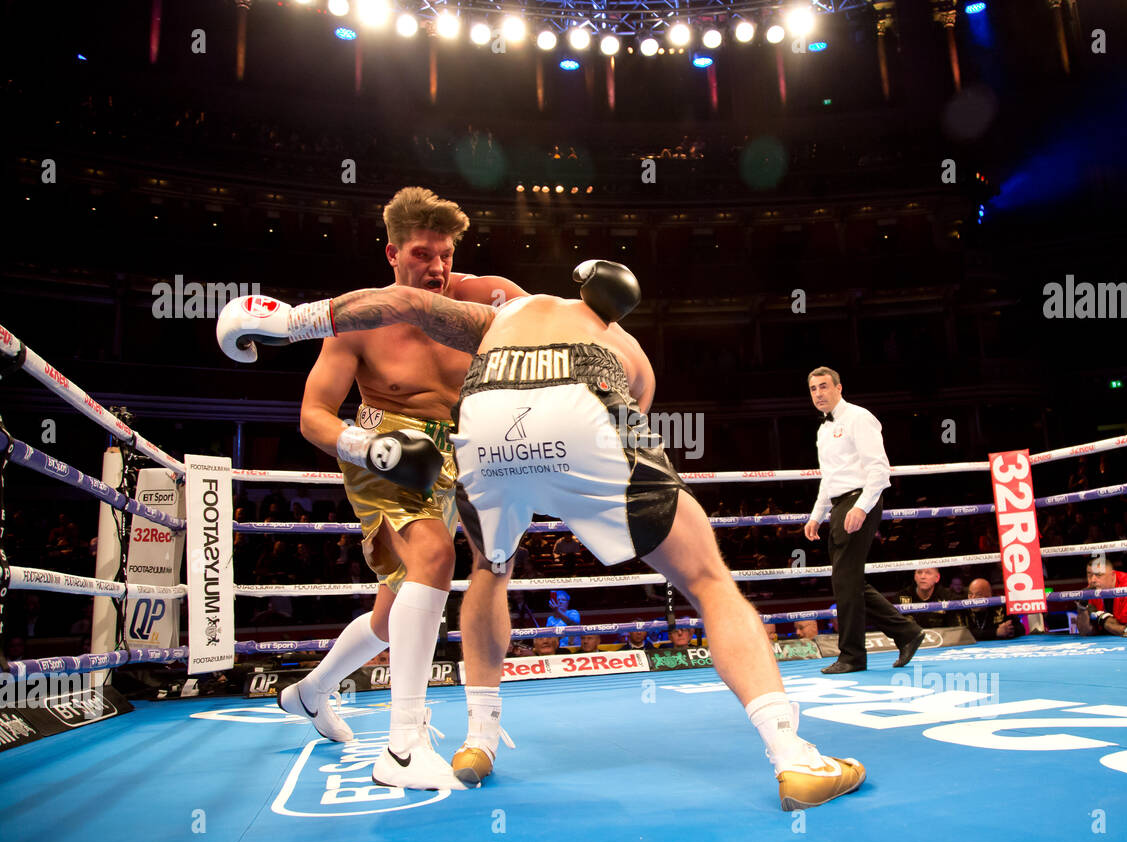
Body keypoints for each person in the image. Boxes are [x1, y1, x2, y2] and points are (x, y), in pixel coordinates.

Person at [218, 260, 865, 810]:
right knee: (706, 577)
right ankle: (792, 752)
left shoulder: (503, 315)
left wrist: (286, 320)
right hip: (589, 397)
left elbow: (403, 303)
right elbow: (628, 413)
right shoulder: (619, 339)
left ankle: (479, 738)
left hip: (486, 411)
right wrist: (586, 496)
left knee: (490, 569)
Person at [224, 187, 527, 791]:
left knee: (395, 613)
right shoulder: (358, 324)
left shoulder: (488, 296)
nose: (437, 268)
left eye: (445, 255)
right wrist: (373, 448)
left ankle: (311, 692)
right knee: (435, 557)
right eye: (422, 254)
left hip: (458, 449)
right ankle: (403, 745)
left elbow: (549, 333)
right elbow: (314, 416)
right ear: (391, 253)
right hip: (382, 440)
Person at [802, 367, 924, 674]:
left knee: (846, 581)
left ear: (839, 388)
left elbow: (879, 469)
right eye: (814, 389)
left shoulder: (859, 418)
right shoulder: (823, 430)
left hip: (860, 501)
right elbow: (828, 479)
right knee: (849, 582)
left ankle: (853, 656)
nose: (819, 393)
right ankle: (906, 632)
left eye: (824, 387)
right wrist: (817, 515)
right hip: (840, 504)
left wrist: (861, 506)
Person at [898, 567, 964, 629]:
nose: (923, 577)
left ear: (937, 578)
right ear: (915, 576)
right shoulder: (901, 597)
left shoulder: (947, 598)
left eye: (928, 573)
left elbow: (956, 629)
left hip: (941, 639)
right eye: (919, 572)